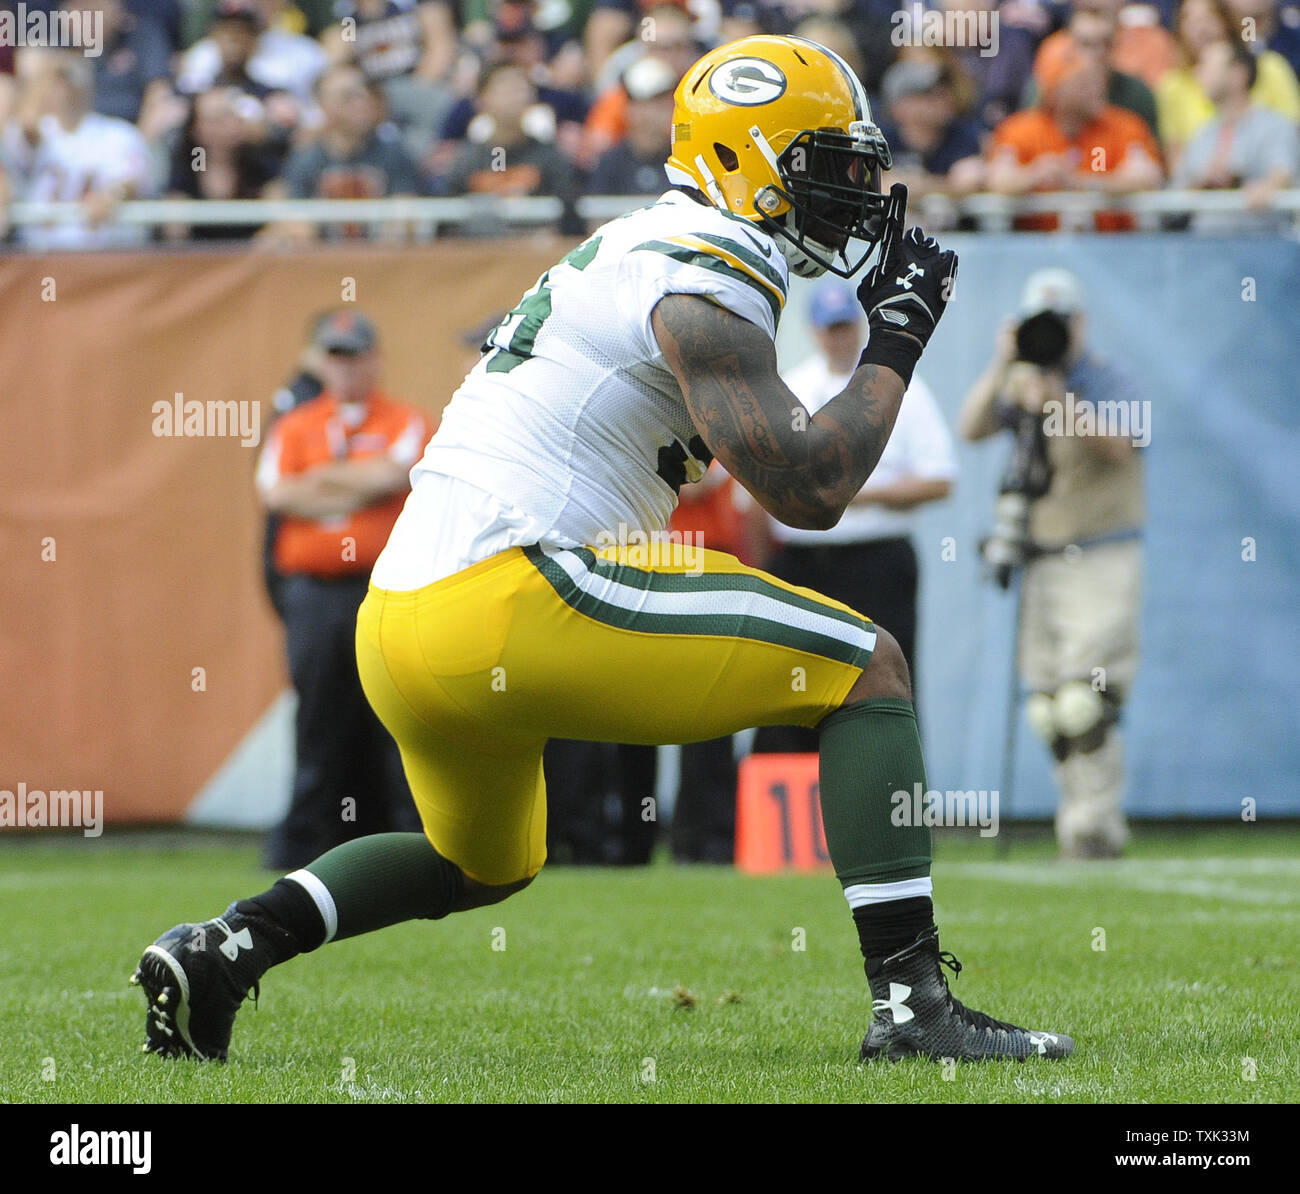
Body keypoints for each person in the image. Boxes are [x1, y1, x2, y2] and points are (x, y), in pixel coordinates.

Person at [133, 35, 1073, 1065]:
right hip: (515, 588)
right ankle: (913, 1008)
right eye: (829, 167)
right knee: (864, 667)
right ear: (744, 161)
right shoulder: (705, 262)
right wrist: (895, 341)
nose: (853, 192)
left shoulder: (644, 245)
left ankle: (225, 948)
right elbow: (811, 488)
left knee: (479, 861)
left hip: (401, 623)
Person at [958, 269, 1144, 860]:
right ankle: (1080, 821)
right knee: (1046, 706)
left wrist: (1061, 402)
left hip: (1100, 551)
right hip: (1041, 555)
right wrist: (1002, 366)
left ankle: (1095, 828)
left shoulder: (1108, 379)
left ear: (1080, 323)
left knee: (1085, 699)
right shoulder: (1020, 381)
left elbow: (1121, 445)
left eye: (1059, 322)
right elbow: (972, 427)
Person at [252, 310, 434, 869]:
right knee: (318, 714)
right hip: (315, 592)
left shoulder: (406, 418)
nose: (347, 366)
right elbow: (277, 493)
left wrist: (324, 484)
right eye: (335, 355)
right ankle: (306, 840)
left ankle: (409, 838)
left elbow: (395, 474)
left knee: (395, 710)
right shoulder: (296, 424)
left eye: (355, 355)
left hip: (382, 587)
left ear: (375, 359)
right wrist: (354, 483)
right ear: (320, 361)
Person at [752, 280, 957, 755]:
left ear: (859, 329)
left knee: (886, 682)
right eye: (829, 329)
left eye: (845, 327)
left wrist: (857, 495)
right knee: (791, 687)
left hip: (875, 561)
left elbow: (940, 477)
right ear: (815, 332)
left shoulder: (901, 394)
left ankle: (889, 795)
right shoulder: (795, 389)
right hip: (803, 563)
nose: (837, 338)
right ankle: (792, 808)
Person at [987, 45, 1164, 231]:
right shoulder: (1020, 129)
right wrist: (1036, 174)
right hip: (1038, 246)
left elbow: (1147, 176)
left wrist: (1086, 182)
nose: (1097, 89)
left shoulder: (1125, 126)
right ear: (1056, 92)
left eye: (1098, 81)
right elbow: (998, 180)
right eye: (1084, 83)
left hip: (1112, 243)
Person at [1172, 36, 1299, 229]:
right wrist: (1201, 182)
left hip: (1262, 248)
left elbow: (1283, 173)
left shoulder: (1276, 127)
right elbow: (1174, 196)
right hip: (1202, 249)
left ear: (1238, 74)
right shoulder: (1202, 134)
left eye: (1207, 65)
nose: (1198, 72)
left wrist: (1264, 186)